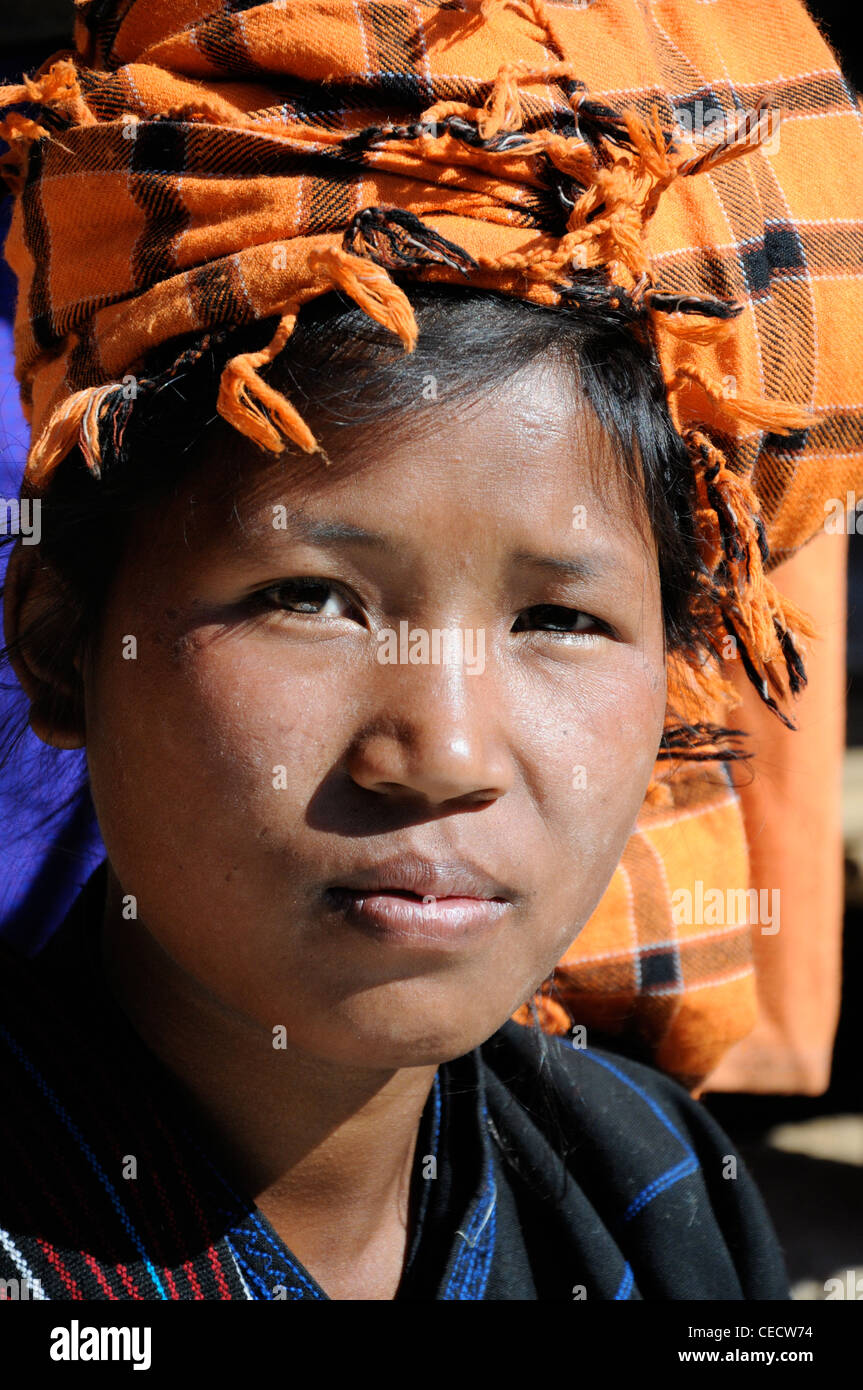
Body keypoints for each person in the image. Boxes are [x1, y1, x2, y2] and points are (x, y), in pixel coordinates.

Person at [0, 0, 840, 1300]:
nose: (440, 751)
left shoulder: (653, 1196)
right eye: (311, 596)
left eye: (559, 619)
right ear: (60, 641)